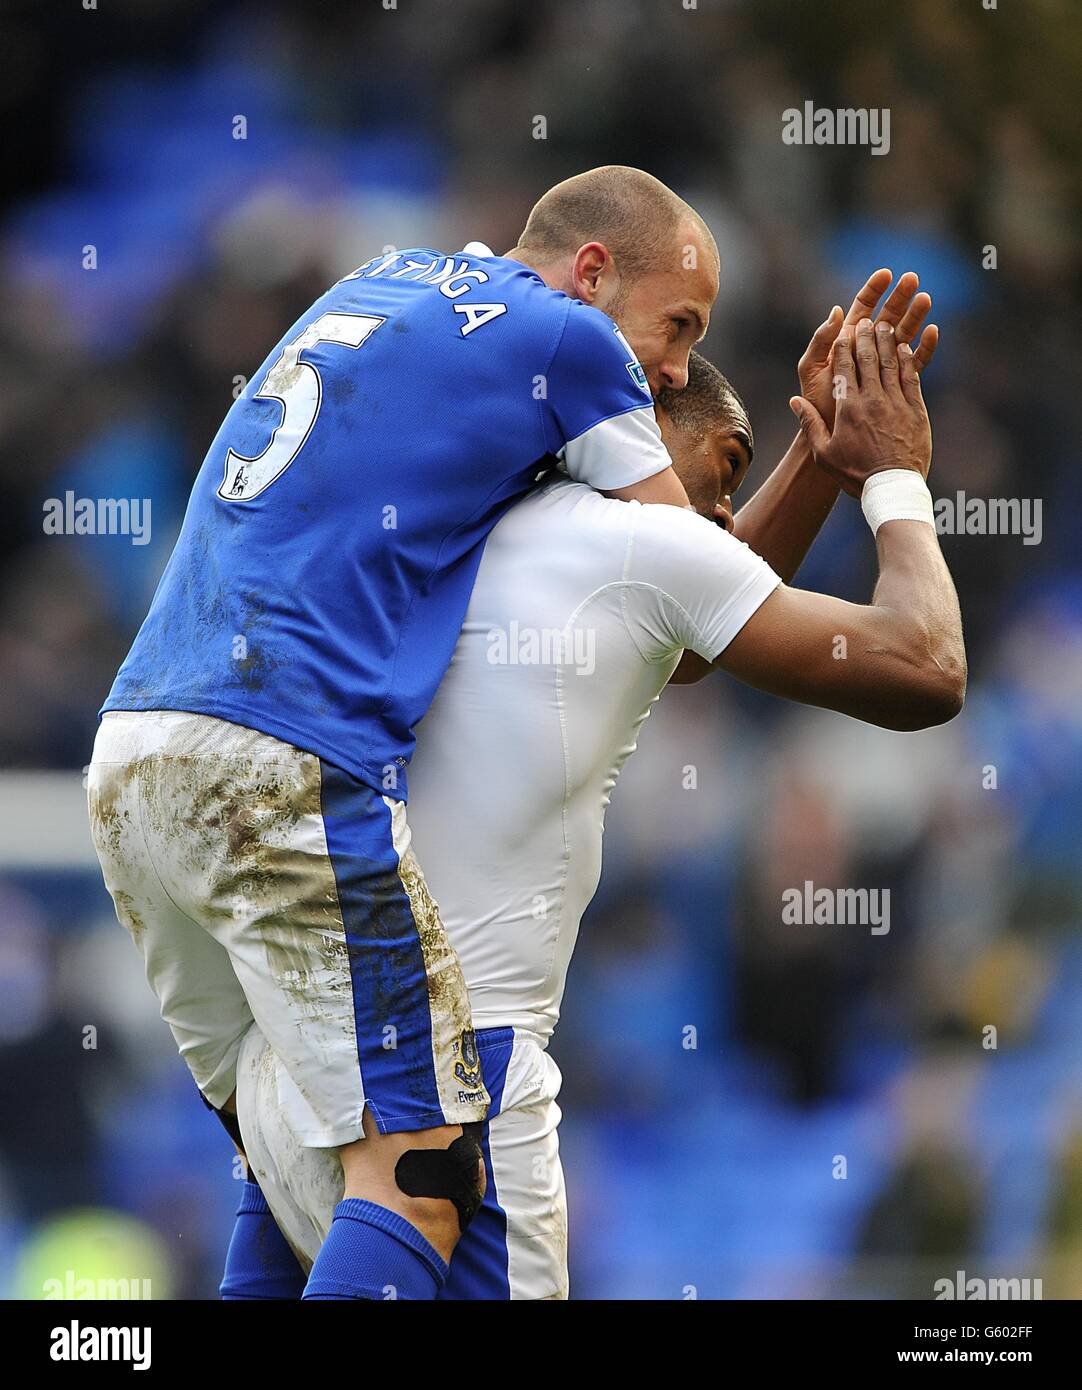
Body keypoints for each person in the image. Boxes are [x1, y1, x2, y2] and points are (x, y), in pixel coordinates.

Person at [235, 275, 965, 1298]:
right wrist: (890, 478)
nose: (719, 513)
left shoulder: (461, 522)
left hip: (303, 1049)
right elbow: (925, 669)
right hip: (462, 1063)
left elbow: (694, 627)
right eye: (720, 471)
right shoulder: (629, 549)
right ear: (637, 427)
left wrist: (811, 453)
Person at [87, 166, 721, 1302]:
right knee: (423, 1173)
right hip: (276, 754)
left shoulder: (377, 282)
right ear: (590, 273)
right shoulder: (572, 343)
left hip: (133, 749)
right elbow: (690, 588)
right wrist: (846, 474)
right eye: (675, 326)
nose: (671, 366)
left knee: (298, 1185)